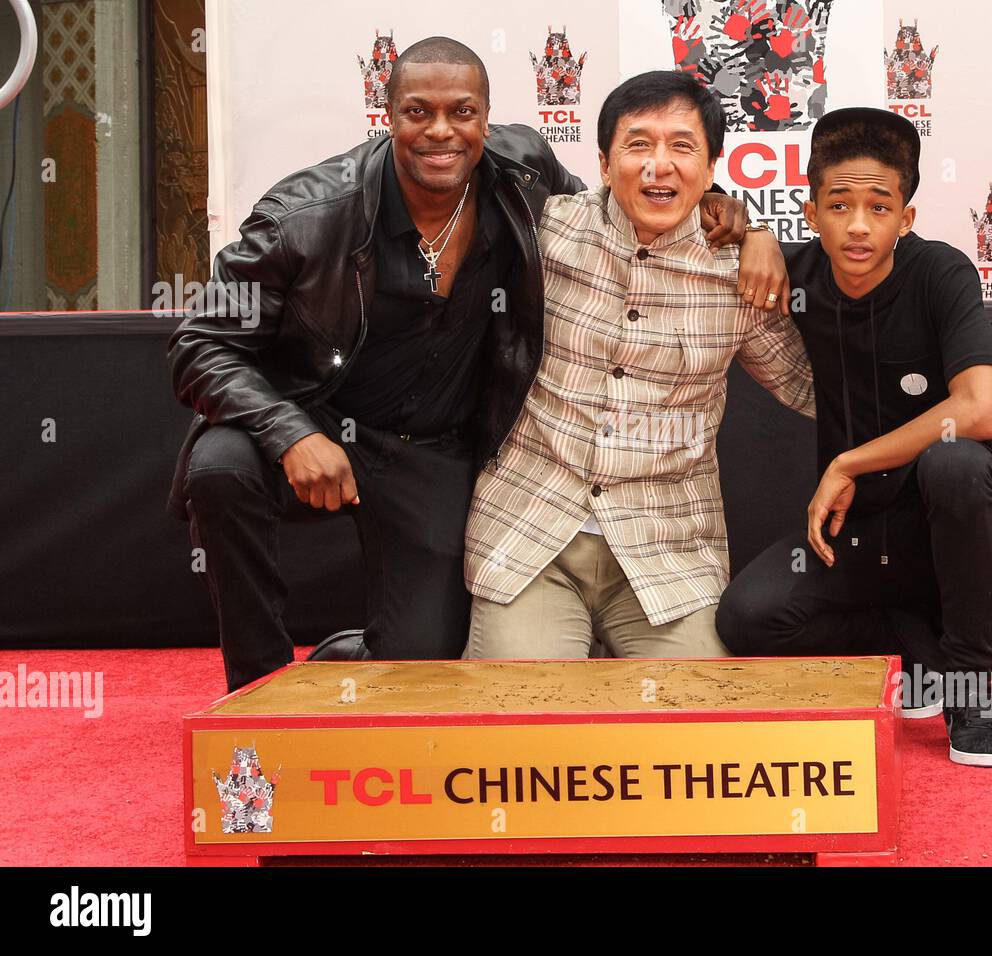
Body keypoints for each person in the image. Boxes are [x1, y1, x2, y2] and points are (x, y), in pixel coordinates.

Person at [167, 39, 762, 693]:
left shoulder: (523, 172)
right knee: (220, 469)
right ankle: (260, 686)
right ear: (387, 116)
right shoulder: (305, 218)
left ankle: (354, 658)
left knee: (425, 659)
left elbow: (616, 214)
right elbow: (199, 343)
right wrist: (291, 434)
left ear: (486, 118)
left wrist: (735, 215)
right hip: (311, 418)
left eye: (463, 111)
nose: (441, 131)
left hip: (429, 446)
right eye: (419, 112)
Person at [715, 107, 992, 767]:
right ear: (811, 213)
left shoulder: (940, 275)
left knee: (955, 462)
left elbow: (980, 410)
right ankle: (917, 643)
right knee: (748, 616)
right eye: (839, 205)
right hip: (862, 533)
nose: (858, 225)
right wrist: (749, 229)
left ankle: (971, 688)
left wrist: (848, 462)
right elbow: (693, 204)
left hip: (955, 520)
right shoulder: (796, 275)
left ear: (906, 218)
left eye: (878, 207)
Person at [461, 70, 814, 660]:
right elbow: (445, 148)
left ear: (711, 169)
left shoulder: (740, 276)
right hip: (530, 536)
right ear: (603, 164)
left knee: (697, 729)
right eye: (638, 144)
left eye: (681, 146)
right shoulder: (546, 230)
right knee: (522, 721)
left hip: (666, 555)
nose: (659, 164)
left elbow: (811, 387)